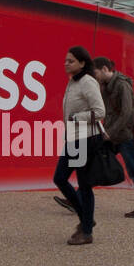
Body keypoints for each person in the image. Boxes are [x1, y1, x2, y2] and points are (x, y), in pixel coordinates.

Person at [52, 45, 106, 245]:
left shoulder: (87, 82)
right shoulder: (73, 81)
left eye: (71, 61)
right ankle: (86, 221)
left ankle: (86, 229)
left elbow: (100, 111)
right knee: (62, 179)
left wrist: (76, 118)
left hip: (86, 139)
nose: (66, 63)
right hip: (75, 138)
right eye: (65, 60)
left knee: (81, 184)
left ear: (82, 63)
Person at [93, 56, 134, 218]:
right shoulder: (105, 86)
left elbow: (127, 113)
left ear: (104, 69)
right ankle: (78, 199)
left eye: (96, 73)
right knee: (95, 164)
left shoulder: (122, 85)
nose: (95, 76)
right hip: (111, 135)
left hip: (125, 137)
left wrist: (110, 132)